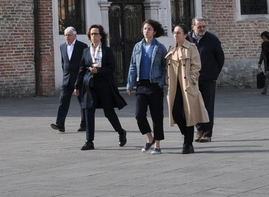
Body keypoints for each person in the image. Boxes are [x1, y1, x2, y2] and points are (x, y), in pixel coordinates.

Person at [73, 24, 127, 151]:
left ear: (101, 36)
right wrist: (77, 86)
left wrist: (99, 71)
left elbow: (112, 68)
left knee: (109, 112)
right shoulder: (86, 51)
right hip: (89, 85)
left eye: (96, 34)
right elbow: (82, 69)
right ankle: (89, 141)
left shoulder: (107, 51)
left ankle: (121, 132)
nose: (94, 36)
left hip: (104, 84)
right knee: (88, 111)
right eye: (92, 34)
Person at [126, 20, 168, 153]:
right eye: (145, 28)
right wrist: (130, 83)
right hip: (141, 85)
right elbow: (133, 65)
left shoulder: (160, 48)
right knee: (139, 115)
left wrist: (161, 82)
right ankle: (149, 137)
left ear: (154, 32)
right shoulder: (137, 47)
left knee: (157, 116)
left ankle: (157, 145)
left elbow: (165, 67)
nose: (146, 31)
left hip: (155, 85)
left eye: (149, 29)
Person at [165, 25, 208, 154]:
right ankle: (187, 135)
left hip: (187, 86)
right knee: (175, 113)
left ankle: (187, 144)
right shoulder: (171, 49)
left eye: (178, 33)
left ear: (184, 35)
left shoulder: (191, 48)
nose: (176, 35)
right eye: (174, 33)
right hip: (175, 87)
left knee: (189, 114)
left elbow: (197, 65)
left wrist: (192, 79)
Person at [186, 16, 224, 142]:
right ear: (193, 27)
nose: (202, 29)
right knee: (194, 105)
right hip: (192, 78)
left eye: (204, 26)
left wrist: (214, 74)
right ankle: (199, 129)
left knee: (207, 105)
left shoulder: (212, 39)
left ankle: (207, 133)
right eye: (199, 27)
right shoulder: (187, 39)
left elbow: (220, 58)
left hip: (208, 78)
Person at [52, 27, 87, 133]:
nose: (67, 37)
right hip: (67, 79)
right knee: (63, 102)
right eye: (65, 35)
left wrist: (81, 78)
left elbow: (84, 63)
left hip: (79, 79)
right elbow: (64, 63)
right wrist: (65, 75)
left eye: (69, 35)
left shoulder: (82, 47)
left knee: (82, 103)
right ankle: (60, 124)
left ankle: (84, 124)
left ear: (74, 36)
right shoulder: (62, 47)